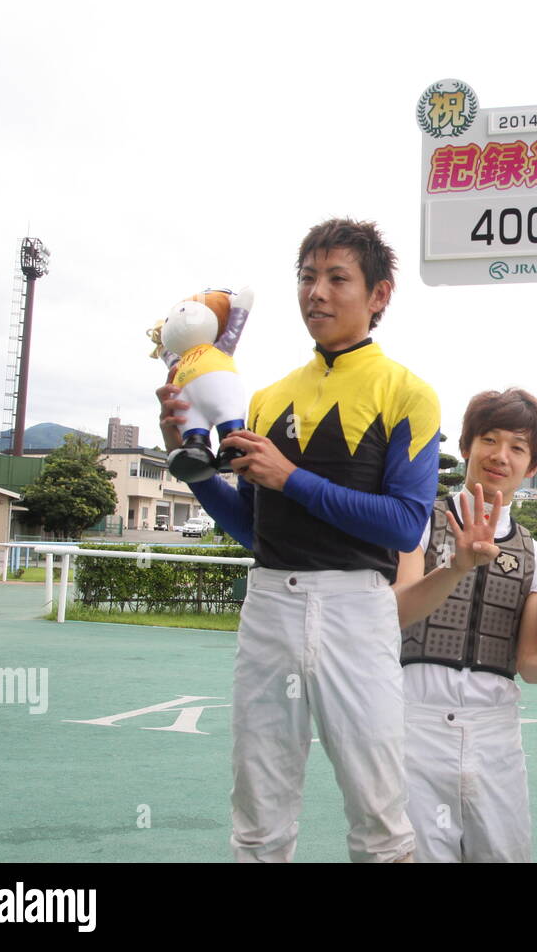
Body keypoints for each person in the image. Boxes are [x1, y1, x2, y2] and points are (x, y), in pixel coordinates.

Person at [155, 218, 441, 862]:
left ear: (379, 295)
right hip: (269, 605)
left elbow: (403, 526)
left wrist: (291, 478)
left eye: (338, 278)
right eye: (308, 277)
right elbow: (254, 529)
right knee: (258, 812)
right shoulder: (262, 399)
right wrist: (189, 461)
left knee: (378, 814)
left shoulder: (408, 394)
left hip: (358, 608)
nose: (317, 292)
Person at [393, 388, 537, 862]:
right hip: (413, 722)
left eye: (517, 447)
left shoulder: (535, 556)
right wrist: (455, 566)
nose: (500, 456)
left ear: (532, 466)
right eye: (488, 439)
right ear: (466, 446)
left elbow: (529, 663)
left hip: (495, 734)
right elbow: (394, 613)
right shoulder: (419, 524)